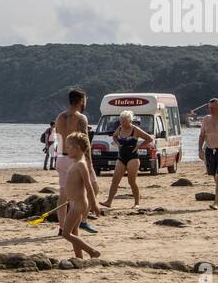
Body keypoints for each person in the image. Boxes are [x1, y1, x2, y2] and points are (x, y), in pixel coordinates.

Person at [53, 90, 98, 234]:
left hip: (61, 156)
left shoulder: (59, 117)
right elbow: (85, 143)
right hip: (74, 158)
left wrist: (58, 157)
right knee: (90, 188)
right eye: (84, 100)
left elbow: (59, 139)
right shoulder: (81, 118)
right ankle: (81, 221)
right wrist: (89, 163)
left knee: (63, 194)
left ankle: (62, 227)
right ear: (80, 101)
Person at [58, 133, 101, 259]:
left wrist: (94, 204)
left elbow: (88, 185)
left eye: (69, 147)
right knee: (74, 232)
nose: (66, 150)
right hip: (74, 203)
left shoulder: (81, 164)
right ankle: (79, 257)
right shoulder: (76, 162)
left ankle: (92, 251)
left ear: (77, 147)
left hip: (79, 204)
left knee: (65, 233)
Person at [100, 111, 154, 207]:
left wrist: (139, 145)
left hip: (132, 158)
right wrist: (117, 143)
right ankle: (108, 201)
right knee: (115, 180)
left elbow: (149, 138)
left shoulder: (135, 130)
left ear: (130, 120)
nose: (122, 123)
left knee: (131, 181)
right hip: (121, 157)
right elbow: (114, 136)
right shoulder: (120, 128)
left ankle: (136, 203)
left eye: (124, 121)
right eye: (121, 121)